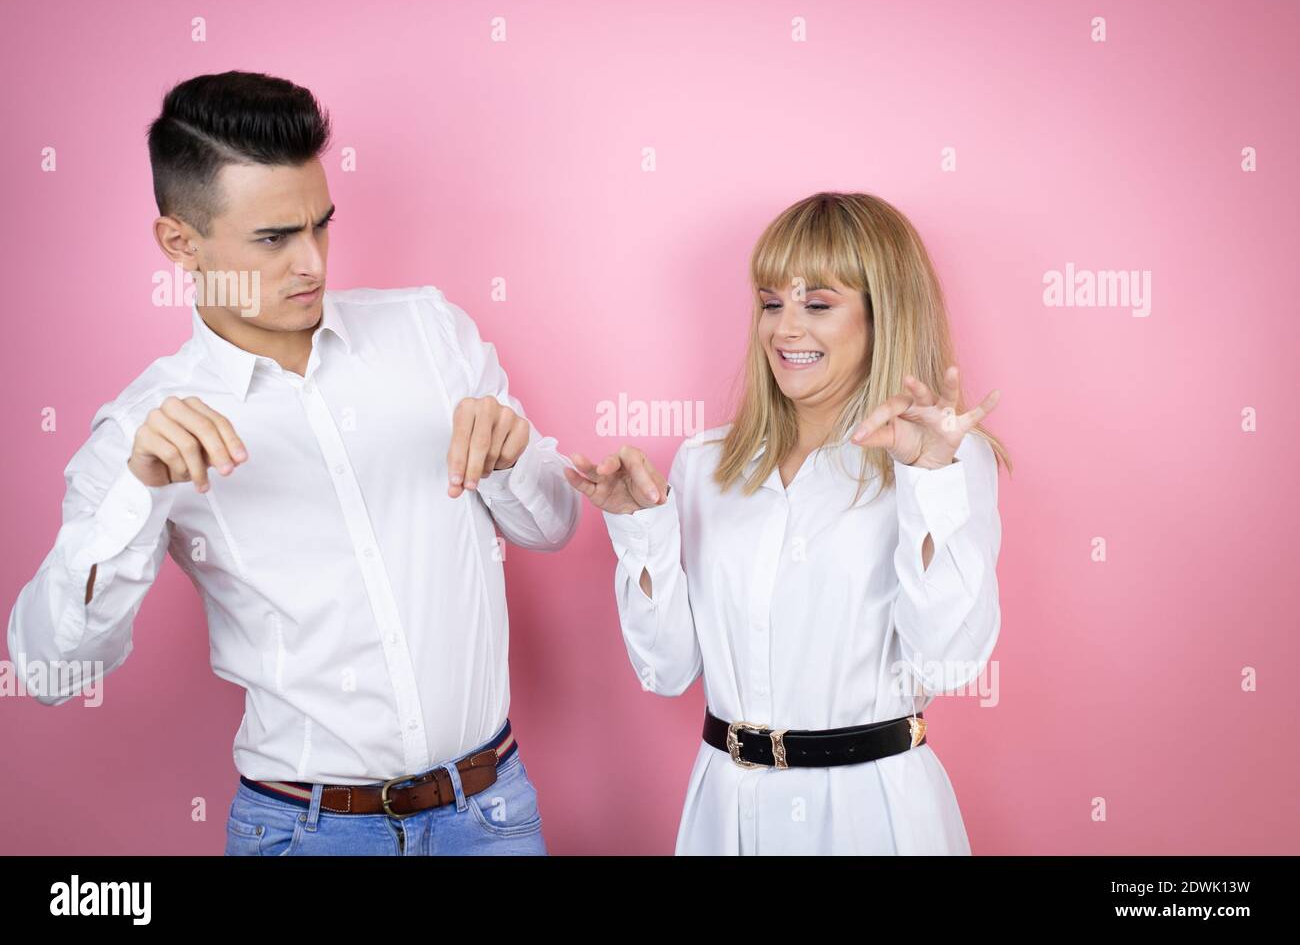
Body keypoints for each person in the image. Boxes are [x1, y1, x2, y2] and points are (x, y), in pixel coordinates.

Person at [5, 71, 579, 855]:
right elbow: (48, 669)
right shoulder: (145, 427)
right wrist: (136, 498)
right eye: (274, 239)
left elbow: (552, 526)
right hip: (306, 833)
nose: (311, 263)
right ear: (181, 242)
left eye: (322, 225)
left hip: (491, 813)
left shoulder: (430, 332)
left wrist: (513, 460)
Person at [565, 191, 1012, 855]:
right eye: (772, 302)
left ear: (882, 315)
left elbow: (947, 663)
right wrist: (640, 530)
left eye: (818, 305)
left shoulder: (942, 460)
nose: (784, 329)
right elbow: (665, 671)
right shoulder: (706, 463)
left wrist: (928, 480)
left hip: (873, 816)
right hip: (728, 810)